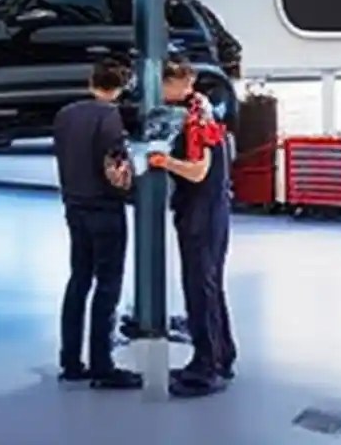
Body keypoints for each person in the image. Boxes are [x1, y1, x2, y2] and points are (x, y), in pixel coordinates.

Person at [148, 58, 237, 398]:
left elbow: (198, 170)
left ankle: (206, 368)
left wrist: (164, 161)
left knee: (199, 288)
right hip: (212, 209)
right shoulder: (203, 108)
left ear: (176, 84)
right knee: (210, 286)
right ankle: (222, 355)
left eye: (161, 85)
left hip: (201, 211)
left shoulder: (193, 120)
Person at [52, 58, 142, 390]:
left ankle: (71, 361)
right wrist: (133, 189)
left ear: (91, 83)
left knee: (79, 280)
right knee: (108, 285)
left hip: (74, 207)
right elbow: (115, 169)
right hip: (105, 210)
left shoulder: (65, 115)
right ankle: (102, 366)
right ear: (120, 88)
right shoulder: (111, 118)